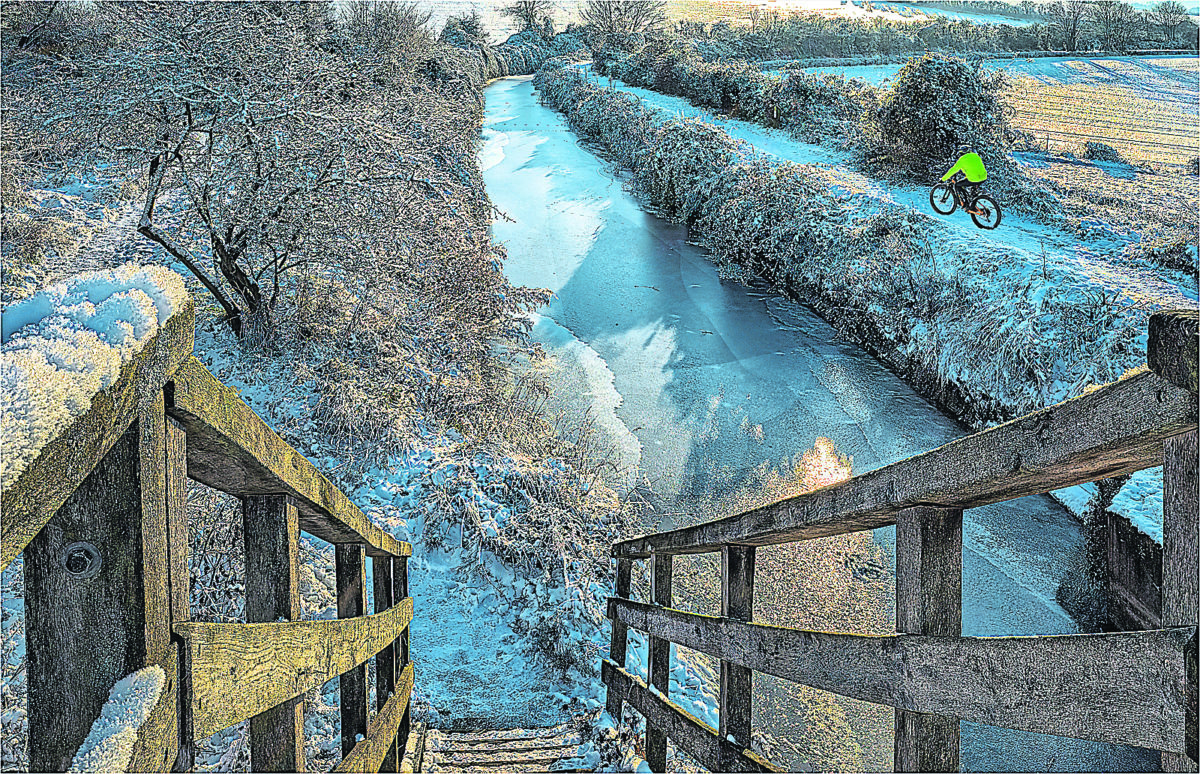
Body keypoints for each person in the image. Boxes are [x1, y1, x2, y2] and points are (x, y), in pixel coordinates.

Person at [941, 146, 987, 211]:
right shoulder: (976, 156)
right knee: (973, 191)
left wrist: (943, 179)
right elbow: (974, 167)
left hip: (973, 179)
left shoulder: (962, 159)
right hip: (983, 177)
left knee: (957, 185)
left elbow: (953, 170)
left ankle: (965, 203)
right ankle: (973, 205)